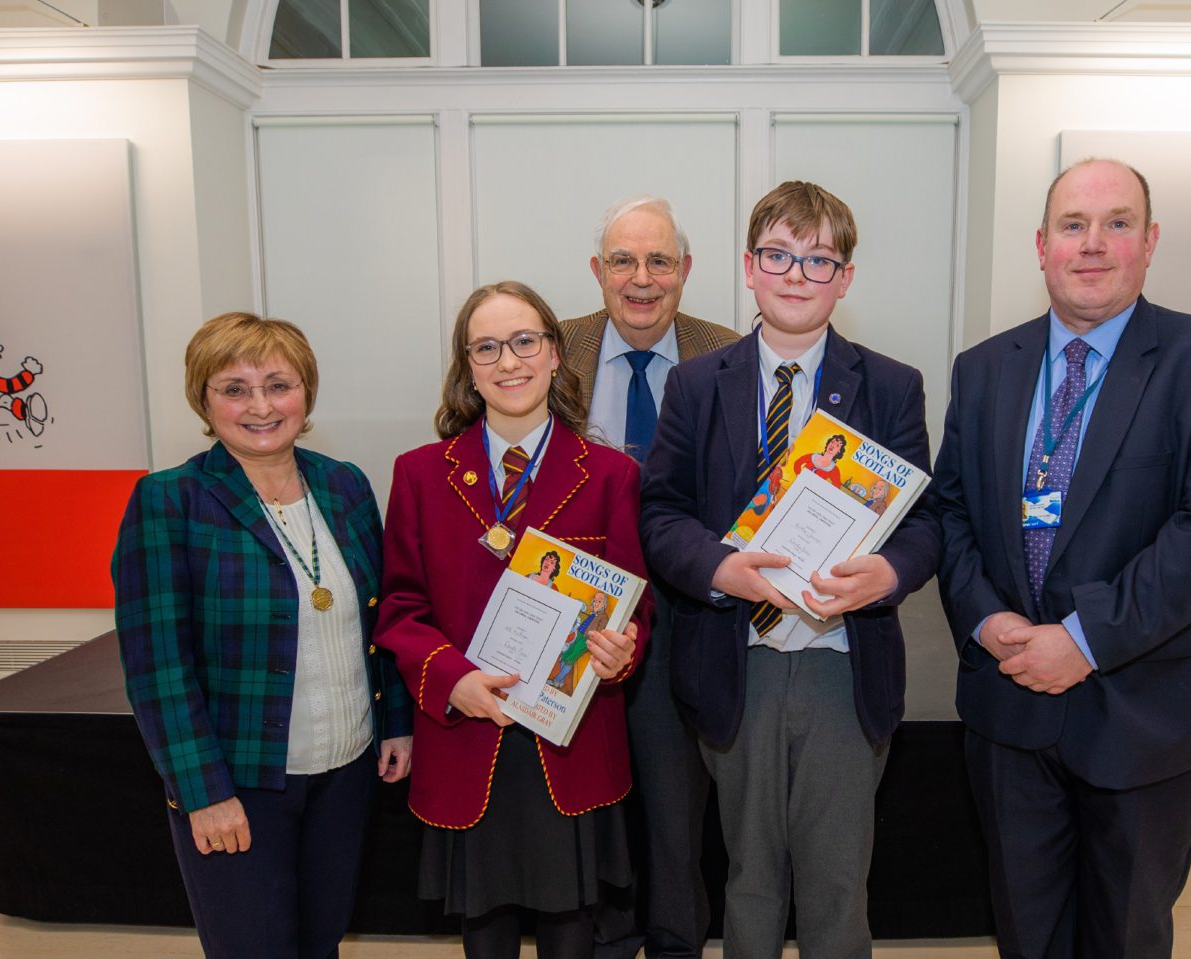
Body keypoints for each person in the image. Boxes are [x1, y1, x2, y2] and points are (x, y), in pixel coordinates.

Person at [931, 158, 1191, 958]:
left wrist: (1080, 640)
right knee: (1026, 930)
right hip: (1009, 707)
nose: (1093, 244)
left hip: (1141, 714)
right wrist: (985, 621)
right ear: (1041, 245)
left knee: (1124, 935)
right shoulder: (984, 368)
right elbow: (951, 511)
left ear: (1149, 243)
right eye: (1073, 226)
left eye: (1116, 223)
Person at [640, 181, 938, 958]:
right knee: (750, 876)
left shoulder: (892, 384)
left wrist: (892, 574)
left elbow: (929, 523)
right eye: (779, 254)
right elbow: (661, 515)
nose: (796, 274)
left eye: (818, 260)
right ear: (749, 266)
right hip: (738, 660)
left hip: (846, 660)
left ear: (845, 277)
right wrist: (719, 567)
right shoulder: (696, 384)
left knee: (839, 880)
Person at [112, 311, 413, 959]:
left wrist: (396, 720)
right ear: (203, 398)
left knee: (321, 939)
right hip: (238, 780)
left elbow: (379, 609)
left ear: (306, 393)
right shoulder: (170, 501)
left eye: (278, 384)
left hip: (346, 769)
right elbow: (158, 668)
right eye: (235, 387)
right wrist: (203, 792)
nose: (260, 405)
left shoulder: (345, 484)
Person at [376, 280, 653, 959]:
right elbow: (400, 609)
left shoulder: (612, 474)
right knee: (486, 929)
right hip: (469, 732)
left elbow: (635, 605)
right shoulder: (418, 474)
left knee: (571, 929)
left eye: (525, 341)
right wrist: (453, 680)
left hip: (571, 738)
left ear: (555, 354)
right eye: (488, 347)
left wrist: (624, 648)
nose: (509, 361)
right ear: (467, 367)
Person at [560, 195, 738, 959]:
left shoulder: (729, 352)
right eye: (624, 261)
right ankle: (601, 938)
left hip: (683, 611)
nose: (642, 278)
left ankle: (672, 940)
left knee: (673, 805)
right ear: (598, 271)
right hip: (570, 611)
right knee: (584, 799)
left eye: (659, 260)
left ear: (686, 271)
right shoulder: (551, 345)